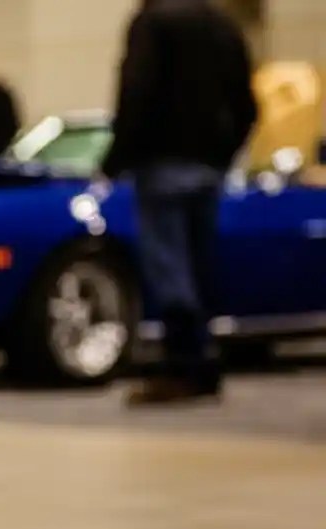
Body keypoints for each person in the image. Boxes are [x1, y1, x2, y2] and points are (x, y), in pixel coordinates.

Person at [102, 0, 257, 405]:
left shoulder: (152, 23)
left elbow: (137, 91)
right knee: (199, 264)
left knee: (169, 268)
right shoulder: (224, 25)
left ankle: (182, 365)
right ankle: (205, 360)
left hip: (162, 164)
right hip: (209, 167)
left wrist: (117, 158)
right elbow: (247, 102)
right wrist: (223, 153)